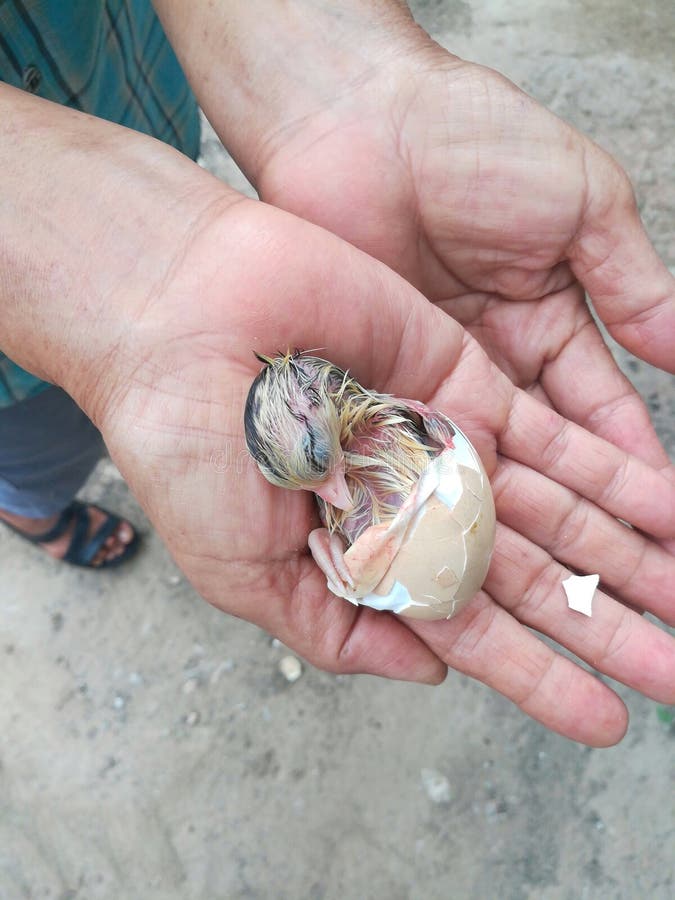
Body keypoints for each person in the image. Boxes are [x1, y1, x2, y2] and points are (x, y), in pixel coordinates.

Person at [1, 0, 673, 747]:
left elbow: (410, 438)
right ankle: (32, 510)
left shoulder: (376, 423)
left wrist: (331, 69)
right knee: (37, 453)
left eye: (323, 474)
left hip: (123, 96)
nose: (336, 493)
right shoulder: (353, 443)